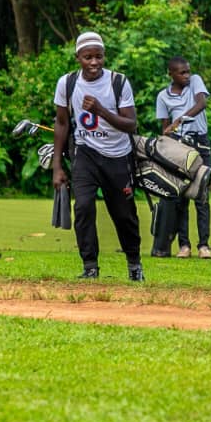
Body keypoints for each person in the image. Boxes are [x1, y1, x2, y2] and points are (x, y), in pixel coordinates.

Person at [52, 31, 143, 282]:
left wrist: (101, 110)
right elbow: (61, 124)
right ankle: (90, 266)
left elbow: (131, 124)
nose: (94, 63)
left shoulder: (118, 82)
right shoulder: (67, 83)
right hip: (85, 153)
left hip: (117, 155)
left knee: (124, 214)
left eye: (99, 57)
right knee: (82, 207)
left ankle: (134, 264)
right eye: (88, 57)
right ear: (78, 58)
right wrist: (57, 165)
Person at [154, 56, 211, 259]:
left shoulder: (195, 81)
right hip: (179, 146)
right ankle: (184, 245)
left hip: (200, 143)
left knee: (202, 197)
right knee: (180, 197)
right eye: (182, 72)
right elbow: (164, 128)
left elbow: (201, 103)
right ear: (171, 74)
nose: (186, 75)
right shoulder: (163, 96)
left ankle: (204, 245)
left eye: (188, 71)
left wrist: (178, 121)